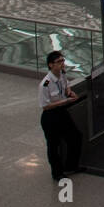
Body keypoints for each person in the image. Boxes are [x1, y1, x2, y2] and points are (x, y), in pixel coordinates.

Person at [39, 50, 82, 181]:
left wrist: (69, 92)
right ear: (51, 65)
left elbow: (66, 85)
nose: (62, 64)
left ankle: (71, 165)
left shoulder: (62, 74)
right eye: (59, 62)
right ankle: (57, 172)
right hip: (50, 116)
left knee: (75, 137)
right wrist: (65, 101)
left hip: (62, 112)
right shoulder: (45, 84)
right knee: (54, 145)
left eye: (63, 61)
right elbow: (45, 105)